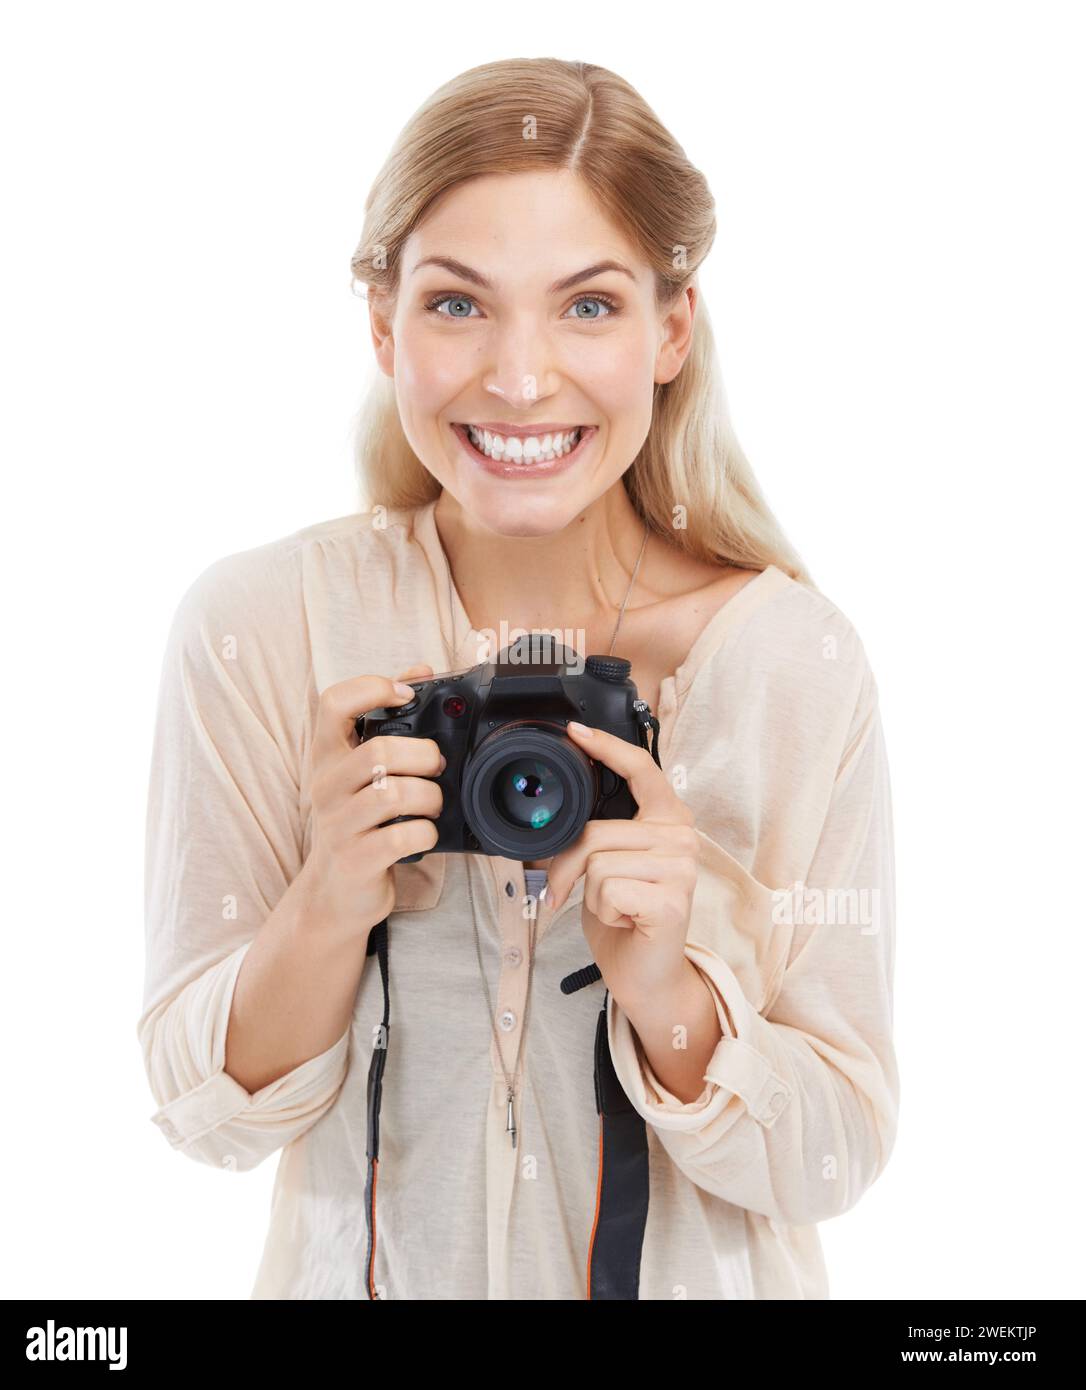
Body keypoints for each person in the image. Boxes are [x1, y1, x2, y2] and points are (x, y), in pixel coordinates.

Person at [137, 57, 899, 1300]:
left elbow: (839, 1150)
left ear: (672, 328)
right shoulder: (264, 627)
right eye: (457, 305)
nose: (521, 376)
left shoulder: (791, 665)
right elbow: (200, 1112)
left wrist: (668, 992)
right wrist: (331, 896)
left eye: (589, 306)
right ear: (382, 323)